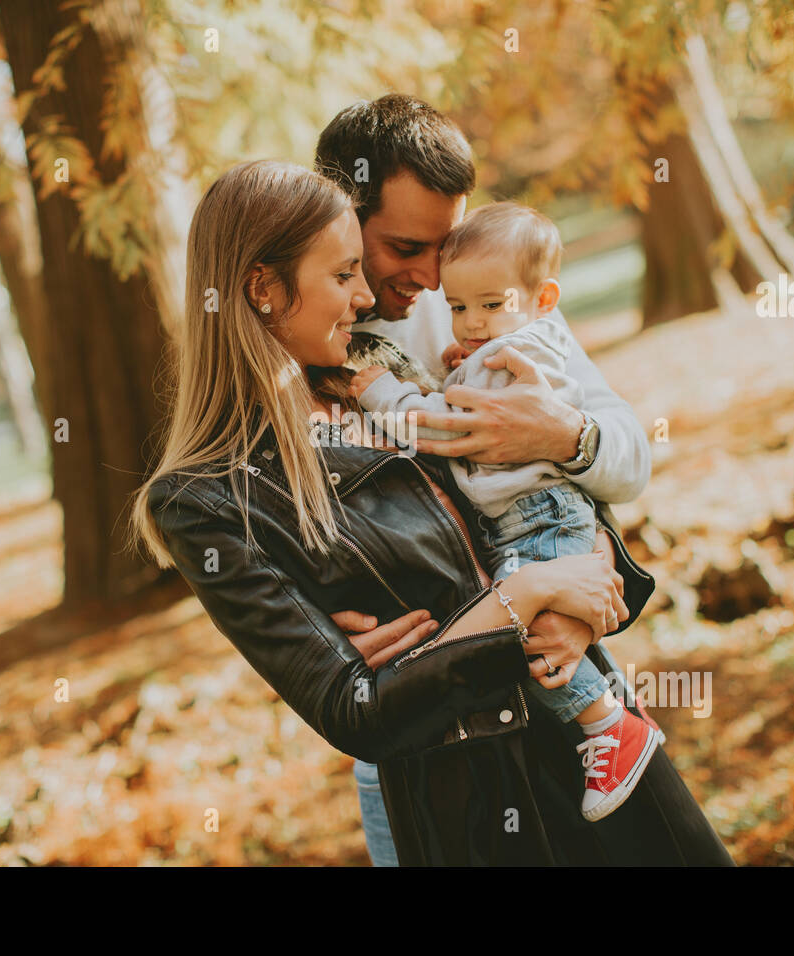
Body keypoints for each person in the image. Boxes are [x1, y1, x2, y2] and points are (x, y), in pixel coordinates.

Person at [131, 158, 734, 866]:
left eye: (362, 269)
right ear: (262, 288)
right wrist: (527, 593)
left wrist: (587, 572)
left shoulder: (389, 378)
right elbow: (356, 707)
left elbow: (533, 505)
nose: (366, 297)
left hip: (597, 740)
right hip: (471, 808)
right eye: (341, 275)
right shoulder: (206, 501)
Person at [313, 93, 664, 863]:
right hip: (419, 746)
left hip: (554, 682)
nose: (435, 275)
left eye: (449, 242)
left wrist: (563, 436)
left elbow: (629, 459)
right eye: (408, 247)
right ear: (341, 217)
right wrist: (319, 624)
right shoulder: (297, 348)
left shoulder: (494, 300)